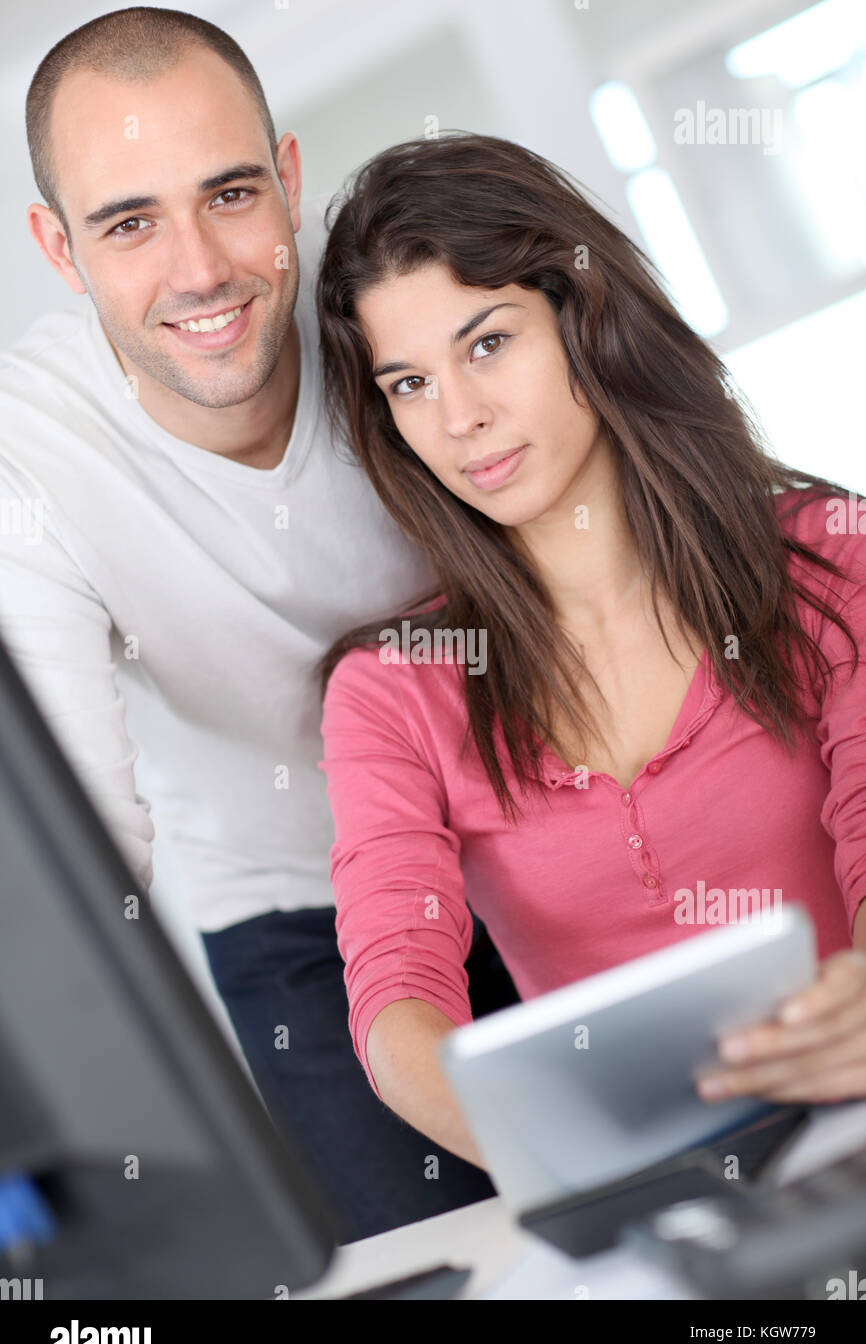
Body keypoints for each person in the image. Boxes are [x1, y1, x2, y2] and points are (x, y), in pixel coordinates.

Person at [0, 9, 518, 1241]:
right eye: (128, 222)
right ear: (60, 251)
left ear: (288, 181)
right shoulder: (29, 462)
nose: (199, 269)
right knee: (423, 1260)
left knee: (686, 1203)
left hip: (542, 827)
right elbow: (80, 828)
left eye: (229, 193)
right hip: (298, 916)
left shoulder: (395, 308)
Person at [314, 131, 866, 1171]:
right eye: (408, 384)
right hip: (633, 1193)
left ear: (585, 320)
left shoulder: (826, 560)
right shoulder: (390, 692)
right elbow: (397, 997)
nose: (461, 418)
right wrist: (568, 1159)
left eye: (486, 344)